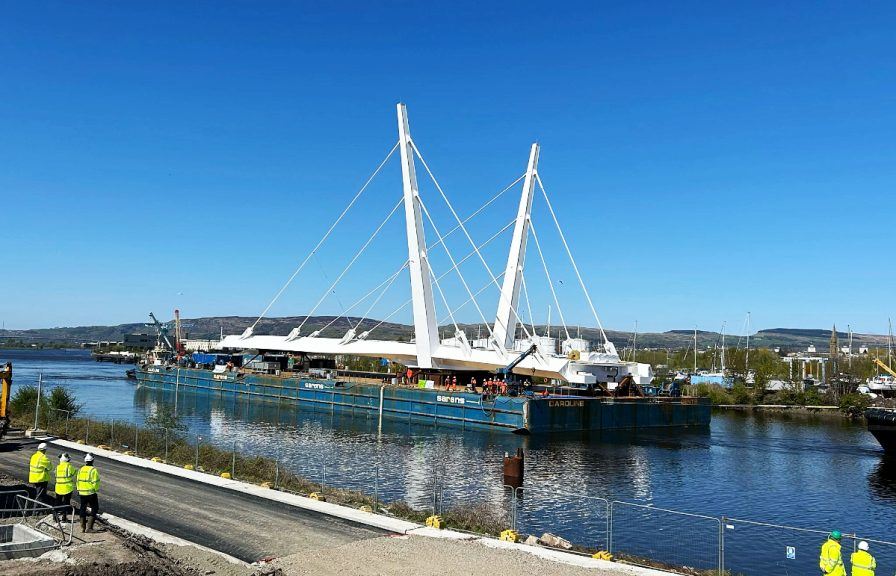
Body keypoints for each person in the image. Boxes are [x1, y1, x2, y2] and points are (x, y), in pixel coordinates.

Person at [77, 453, 101, 533]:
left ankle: (82, 527)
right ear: (92, 460)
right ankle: (89, 527)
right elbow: (96, 483)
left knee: (82, 508)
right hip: (90, 493)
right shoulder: (93, 470)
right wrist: (95, 490)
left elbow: (77, 481)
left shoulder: (81, 469)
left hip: (81, 493)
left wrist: (79, 490)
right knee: (94, 508)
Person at [54, 453, 76, 522]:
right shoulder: (69, 467)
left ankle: (55, 517)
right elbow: (74, 473)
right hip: (67, 488)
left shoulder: (57, 467)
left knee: (57, 502)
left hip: (58, 487)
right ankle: (64, 517)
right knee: (66, 503)